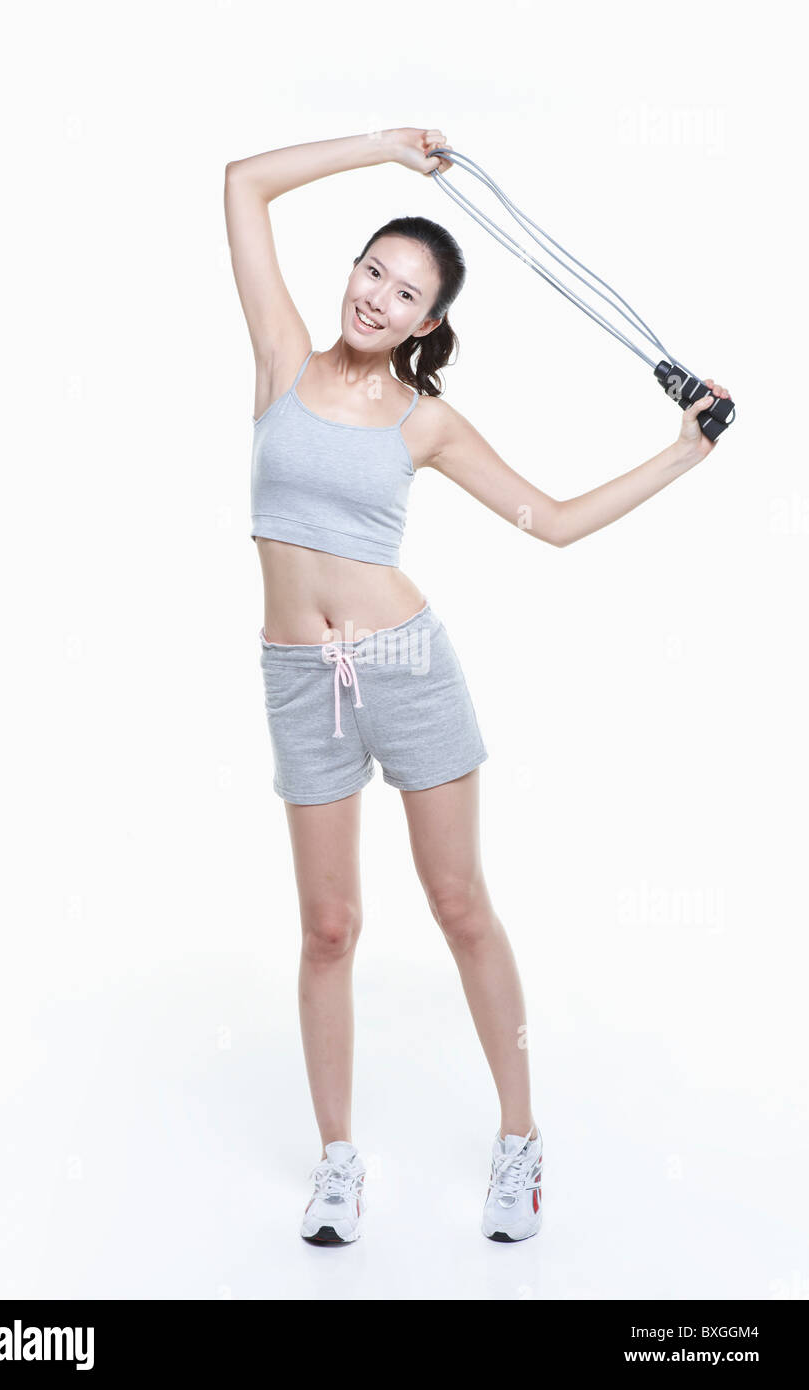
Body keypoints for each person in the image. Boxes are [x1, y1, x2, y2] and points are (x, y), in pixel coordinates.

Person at [223, 126, 730, 1245]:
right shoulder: (281, 359)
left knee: (458, 906)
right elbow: (241, 184)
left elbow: (546, 523)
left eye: (405, 293)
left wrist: (679, 455)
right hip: (299, 676)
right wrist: (384, 149)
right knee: (327, 928)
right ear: (350, 271)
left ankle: (517, 1138)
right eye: (371, 270)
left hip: (407, 667)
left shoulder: (426, 422)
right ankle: (337, 1161)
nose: (377, 297)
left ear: (427, 322)